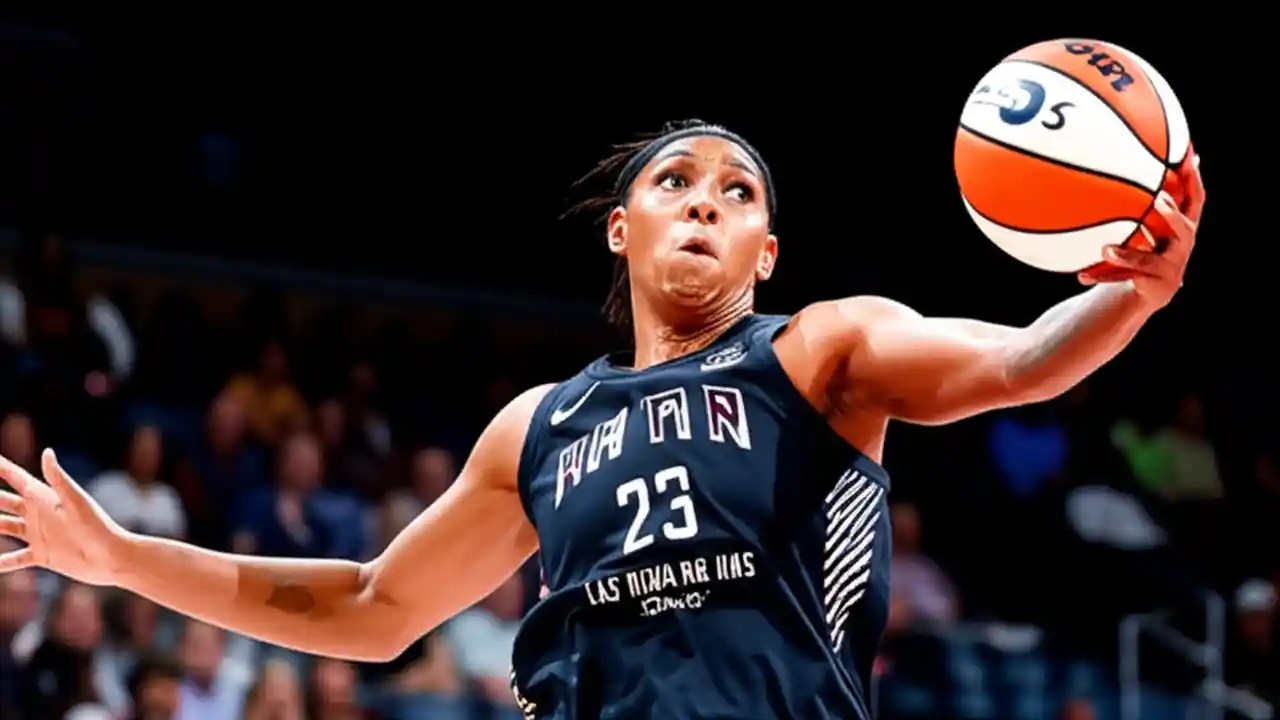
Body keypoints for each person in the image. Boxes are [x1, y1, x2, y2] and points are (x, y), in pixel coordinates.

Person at [0, 118, 1204, 719]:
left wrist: (1120, 296)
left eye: (736, 194)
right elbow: (372, 609)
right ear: (621, 230)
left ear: (763, 250)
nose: (703, 203)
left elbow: (1016, 366)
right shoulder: (538, 426)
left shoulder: (822, 350)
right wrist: (122, 563)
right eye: (671, 182)